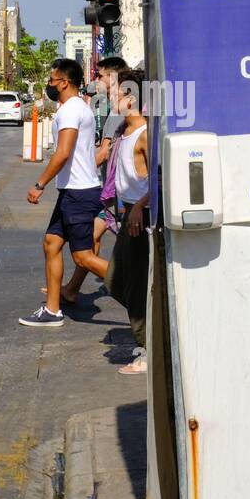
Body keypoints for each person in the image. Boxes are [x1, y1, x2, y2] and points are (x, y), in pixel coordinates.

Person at [20, 59, 108, 328]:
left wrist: (40, 184)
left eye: (52, 79)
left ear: (64, 82)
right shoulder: (79, 107)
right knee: (51, 243)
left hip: (78, 193)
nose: (49, 84)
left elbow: (63, 152)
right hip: (74, 190)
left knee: (82, 256)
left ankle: (136, 285)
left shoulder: (70, 111)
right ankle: (53, 310)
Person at [52, 57, 130, 307]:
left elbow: (105, 152)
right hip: (111, 189)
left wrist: (83, 170)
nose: (97, 80)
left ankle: (132, 287)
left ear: (114, 78)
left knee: (85, 251)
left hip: (112, 190)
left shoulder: (118, 111)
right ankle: (73, 289)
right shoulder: (115, 109)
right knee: (89, 242)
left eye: (101, 75)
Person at [105, 69, 150, 375]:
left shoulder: (145, 134)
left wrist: (138, 209)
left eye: (115, 92)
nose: (109, 96)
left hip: (140, 216)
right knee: (114, 281)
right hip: (127, 214)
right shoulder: (124, 130)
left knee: (134, 285)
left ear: (131, 98)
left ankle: (147, 349)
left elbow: (161, 177)